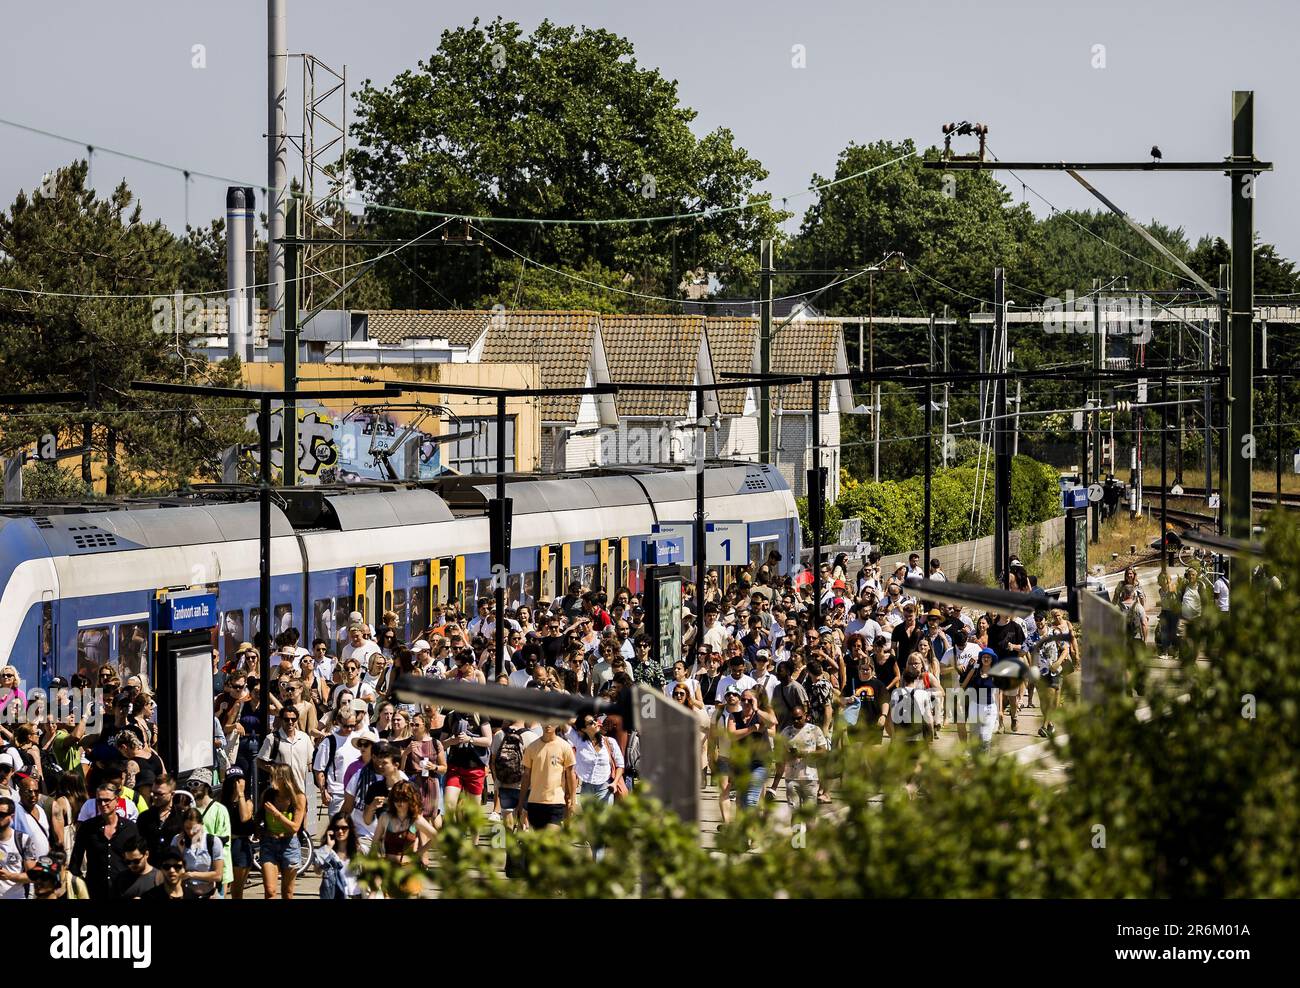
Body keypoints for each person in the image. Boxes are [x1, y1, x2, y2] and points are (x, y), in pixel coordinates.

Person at [69, 784, 140, 899]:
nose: (102, 804)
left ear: (116, 800)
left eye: (106, 800)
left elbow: (139, 860)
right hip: (95, 891)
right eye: (99, 801)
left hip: (124, 891)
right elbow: (75, 862)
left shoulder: (130, 828)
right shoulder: (87, 828)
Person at [260, 763, 306, 899]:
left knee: (288, 893)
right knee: (270, 890)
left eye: (274, 777)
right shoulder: (268, 794)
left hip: (289, 845)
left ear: (284, 779)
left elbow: (295, 827)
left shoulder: (298, 797)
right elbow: (259, 815)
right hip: (269, 843)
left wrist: (277, 814)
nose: (270, 780)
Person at [519, 722, 576, 831]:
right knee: (539, 843)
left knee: (552, 840)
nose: (548, 725)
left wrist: (573, 802)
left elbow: (570, 774)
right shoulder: (532, 747)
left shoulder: (565, 746)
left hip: (556, 802)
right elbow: (526, 776)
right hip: (534, 802)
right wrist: (521, 803)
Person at [439, 710, 492, 817]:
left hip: (475, 767)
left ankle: (474, 834)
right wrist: (451, 741)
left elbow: (488, 741)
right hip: (455, 767)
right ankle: (454, 832)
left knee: (473, 812)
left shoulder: (480, 714)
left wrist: (470, 739)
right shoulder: (451, 716)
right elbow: (441, 745)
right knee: (449, 804)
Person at [780, 705, 830, 811]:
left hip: (810, 778)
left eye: (799, 718)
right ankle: (796, 828)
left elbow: (823, 751)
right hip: (791, 778)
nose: (796, 721)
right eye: (794, 718)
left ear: (805, 716)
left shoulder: (814, 730)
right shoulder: (786, 732)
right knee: (794, 812)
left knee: (810, 815)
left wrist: (805, 754)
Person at [374, 780, 436, 865]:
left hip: (408, 869)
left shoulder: (416, 819)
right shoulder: (385, 817)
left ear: (411, 800)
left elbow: (437, 837)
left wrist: (420, 852)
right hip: (387, 868)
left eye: (404, 798)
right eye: (396, 798)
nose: (400, 802)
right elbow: (374, 843)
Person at [170, 807, 224, 898]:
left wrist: (191, 874)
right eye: (187, 828)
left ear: (201, 824)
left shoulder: (213, 842)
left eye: (194, 829)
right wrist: (180, 852)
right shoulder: (177, 840)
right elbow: (174, 872)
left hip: (208, 894)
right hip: (185, 893)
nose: (191, 832)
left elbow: (218, 875)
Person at [219, 767, 256, 899]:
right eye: (233, 781)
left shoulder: (247, 800)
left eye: (239, 780)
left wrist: (240, 794)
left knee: (237, 890)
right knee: (221, 887)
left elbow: (244, 817)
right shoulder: (222, 801)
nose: (236, 783)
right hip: (225, 844)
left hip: (241, 845)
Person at [314, 812, 364, 899]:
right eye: (336, 828)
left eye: (344, 828)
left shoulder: (358, 850)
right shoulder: (327, 851)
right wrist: (328, 847)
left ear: (350, 829)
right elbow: (317, 870)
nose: (340, 831)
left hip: (356, 896)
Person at [0, 795, 36, 899]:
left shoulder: (23, 840)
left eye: (2, 814)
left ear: (12, 816)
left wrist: (9, 876)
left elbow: (32, 875)